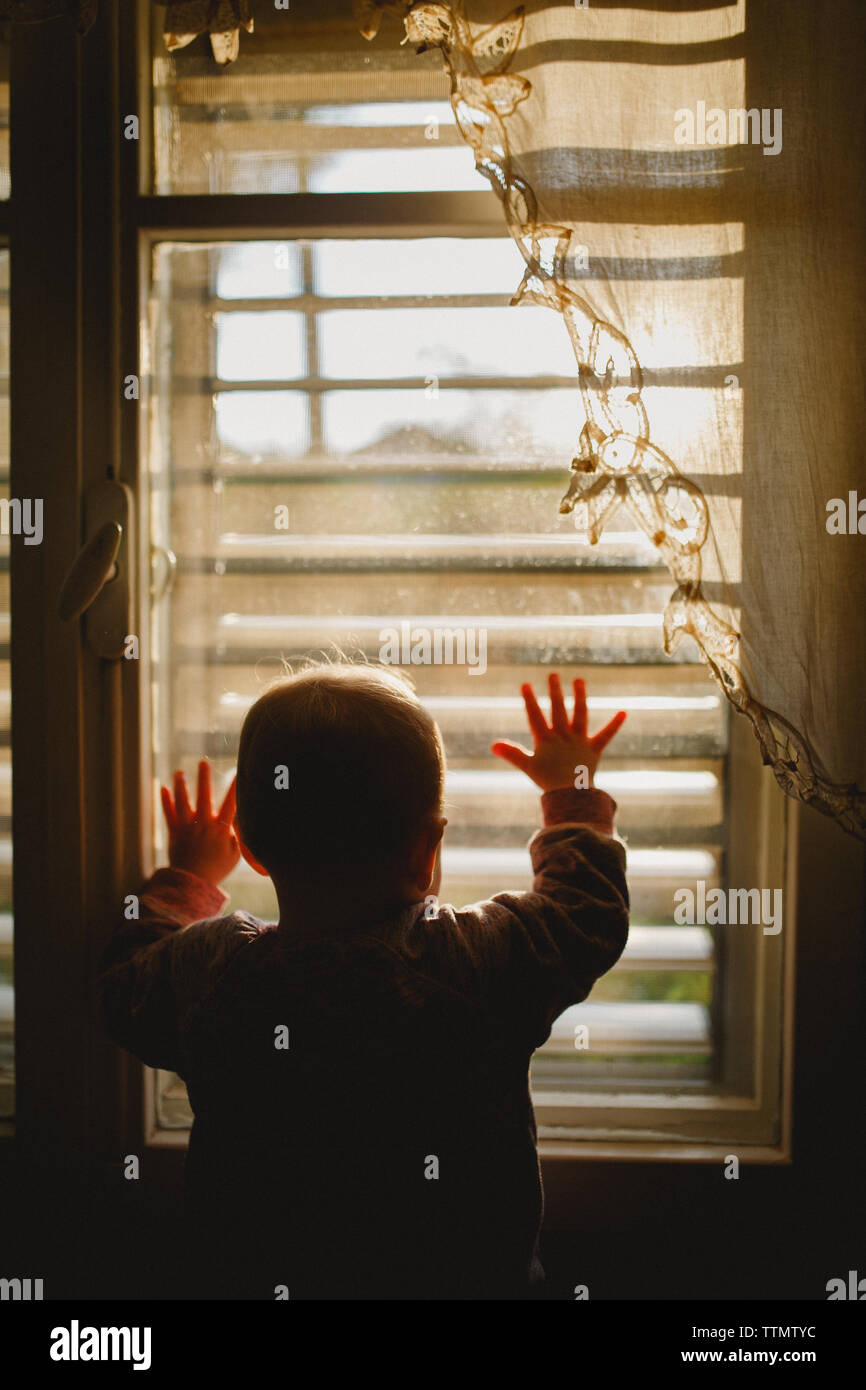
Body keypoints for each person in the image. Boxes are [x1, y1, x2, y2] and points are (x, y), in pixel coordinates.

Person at [98, 664, 629, 1300]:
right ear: (425, 851)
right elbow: (583, 916)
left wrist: (188, 876)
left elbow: (123, 988)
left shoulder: (214, 974)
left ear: (254, 850)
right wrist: (571, 793)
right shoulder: (471, 965)